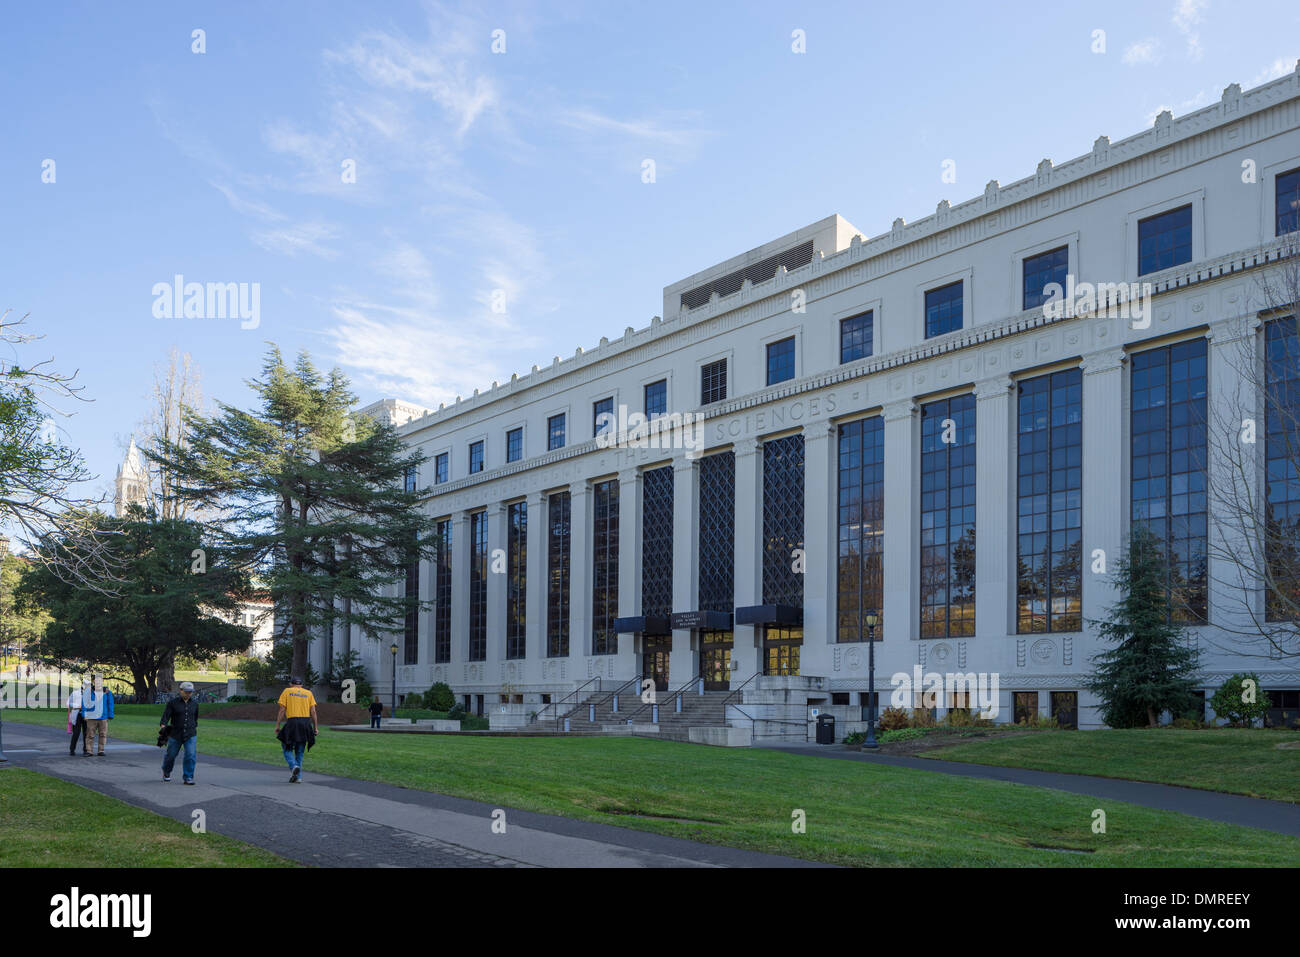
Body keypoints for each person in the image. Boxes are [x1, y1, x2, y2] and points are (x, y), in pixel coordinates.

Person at [275, 677, 319, 783]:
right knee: (300, 751)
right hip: (305, 724)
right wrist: (315, 728)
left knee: (286, 747)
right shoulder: (308, 693)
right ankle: (298, 777)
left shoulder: (287, 691)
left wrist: (277, 725)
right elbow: (313, 712)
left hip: (292, 722)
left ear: (291, 684)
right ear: (301, 685)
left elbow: (282, 710)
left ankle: (294, 766)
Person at [159, 681, 199, 784]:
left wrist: (194, 727)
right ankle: (166, 771)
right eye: (186, 692)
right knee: (171, 755)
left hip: (190, 733)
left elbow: (195, 718)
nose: (188, 694)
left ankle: (188, 777)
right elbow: (165, 717)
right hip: (175, 733)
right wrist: (163, 728)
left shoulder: (195, 704)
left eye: (190, 692)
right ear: (180, 691)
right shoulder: (173, 703)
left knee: (190, 755)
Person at [82, 674, 113, 756]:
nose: (98, 682)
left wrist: (110, 715)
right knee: (90, 735)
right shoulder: (88, 691)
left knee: (103, 734)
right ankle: (89, 751)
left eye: (100, 680)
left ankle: (101, 750)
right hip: (91, 717)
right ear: (93, 681)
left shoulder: (107, 692)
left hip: (103, 717)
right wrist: (84, 714)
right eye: (96, 680)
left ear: (102, 681)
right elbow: (84, 704)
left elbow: (110, 704)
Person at [67, 680, 90, 756]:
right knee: (76, 732)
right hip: (77, 714)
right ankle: (72, 749)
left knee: (86, 733)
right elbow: (69, 703)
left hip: (86, 714)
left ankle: (86, 750)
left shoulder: (90, 694)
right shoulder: (75, 693)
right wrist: (78, 705)